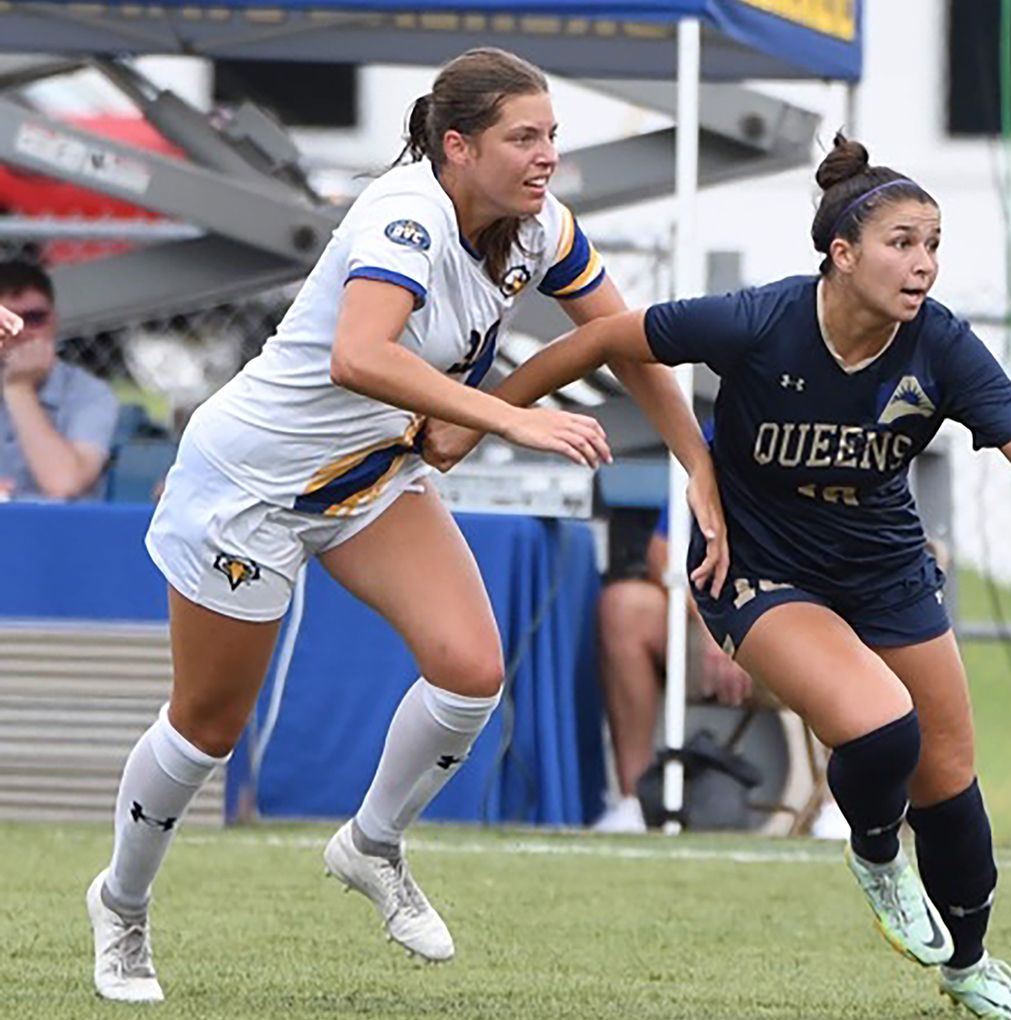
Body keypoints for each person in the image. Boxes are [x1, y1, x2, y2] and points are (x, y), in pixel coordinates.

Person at [83, 47, 727, 1004]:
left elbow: (622, 340)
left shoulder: (539, 226)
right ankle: (122, 907)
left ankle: (371, 846)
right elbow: (358, 356)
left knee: (471, 671)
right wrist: (505, 415)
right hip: (247, 486)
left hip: (367, 481)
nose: (547, 155)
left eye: (553, 135)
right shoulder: (405, 213)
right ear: (457, 147)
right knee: (208, 727)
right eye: (525, 137)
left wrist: (700, 467)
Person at [430, 133, 1011, 1020]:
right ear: (841, 253)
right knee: (881, 733)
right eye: (902, 243)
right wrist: (482, 417)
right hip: (756, 564)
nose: (923, 265)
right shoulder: (760, 321)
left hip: (884, 569)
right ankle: (875, 852)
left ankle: (972, 966)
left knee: (951, 785)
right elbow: (605, 336)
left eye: (933, 244)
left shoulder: (937, 344)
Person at [593, 505, 754, 833]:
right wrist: (717, 626)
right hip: (710, 626)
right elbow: (660, 548)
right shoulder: (713, 457)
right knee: (624, 606)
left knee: (843, 618)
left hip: (796, 628)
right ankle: (632, 805)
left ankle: (841, 808)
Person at [0, 261, 120, 501]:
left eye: (34, 318)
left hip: (58, 533)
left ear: (53, 321)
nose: (21, 331)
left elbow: (63, 483)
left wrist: (19, 388)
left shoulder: (90, 393)